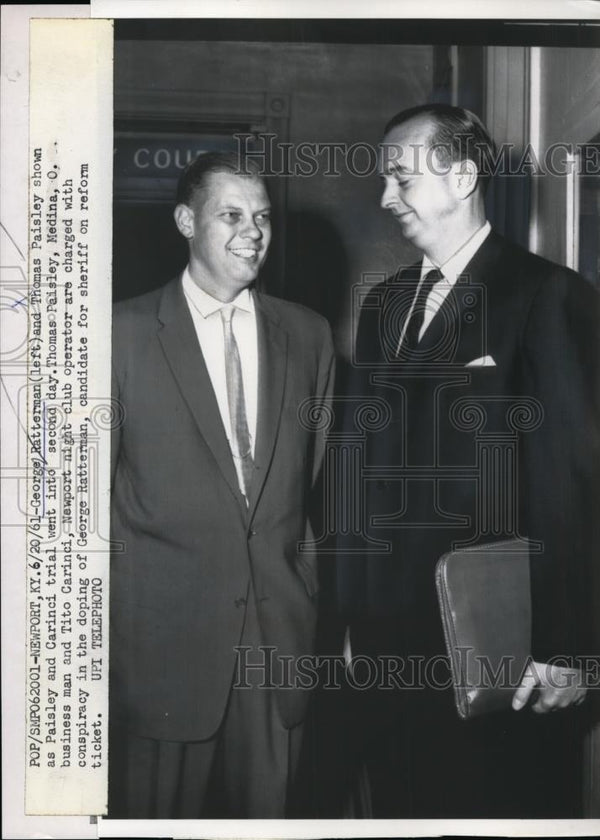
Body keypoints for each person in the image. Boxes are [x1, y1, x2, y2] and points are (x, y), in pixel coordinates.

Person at [337, 104, 599, 817]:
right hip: (391, 644)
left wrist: (569, 650)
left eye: (401, 178)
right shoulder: (384, 306)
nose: (385, 197)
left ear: (462, 177)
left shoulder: (548, 294)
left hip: (502, 643)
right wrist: (353, 621)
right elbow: (362, 470)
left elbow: (572, 484)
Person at [108, 151, 335, 819]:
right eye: (230, 215)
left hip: (278, 643)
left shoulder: (310, 336)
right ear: (186, 221)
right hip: (160, 651)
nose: (252, 232)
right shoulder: (118, 333)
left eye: (262, 217)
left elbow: (310, 485)